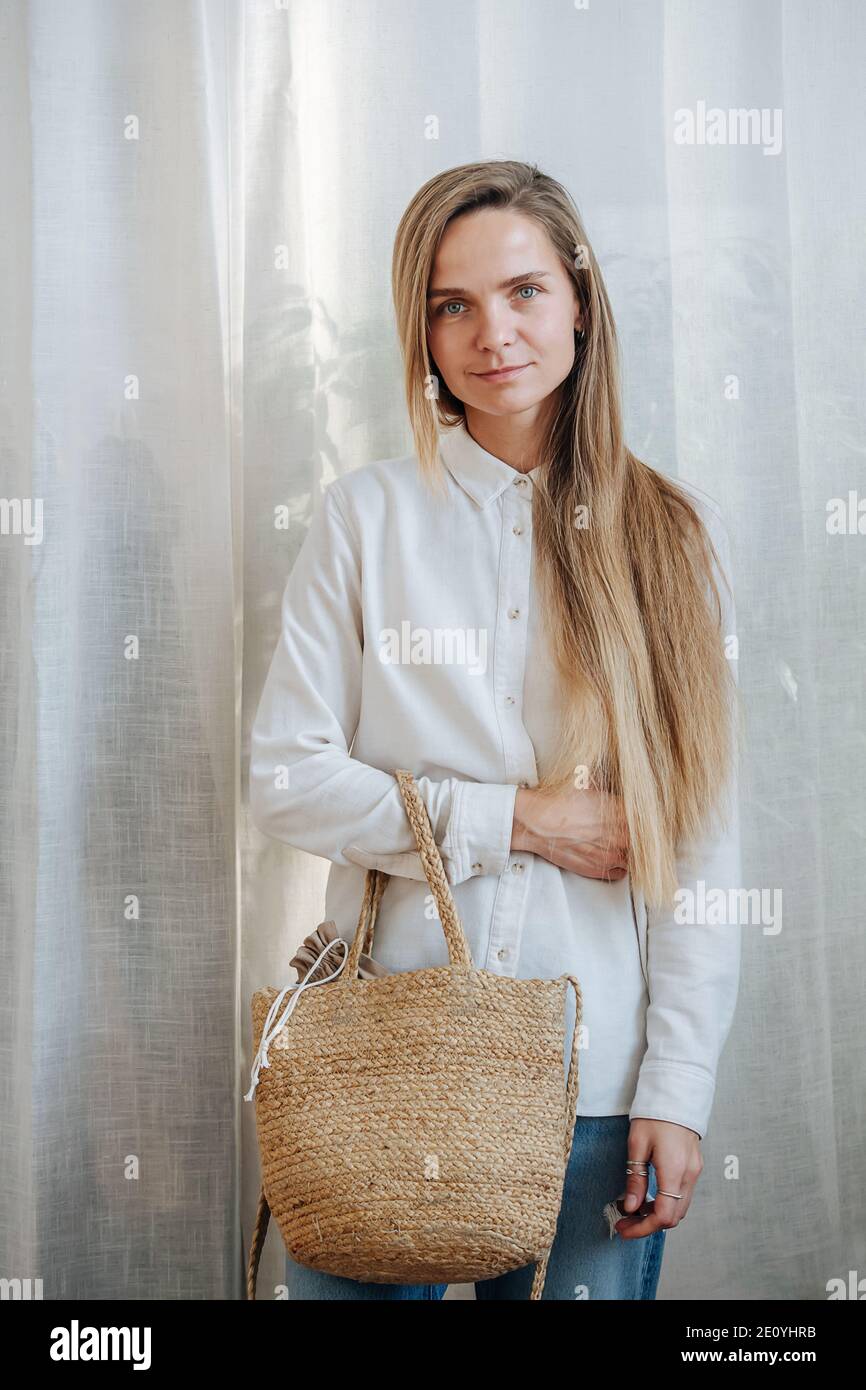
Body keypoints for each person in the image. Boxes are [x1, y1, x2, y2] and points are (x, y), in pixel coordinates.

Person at [249, 159, 743, 1300]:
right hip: (383, 1060)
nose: (492, 333)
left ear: (579, 300)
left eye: (523, 291)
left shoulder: (669, 537)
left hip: (598, 1087)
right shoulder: (364, 520)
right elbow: (286, 779)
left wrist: (677, 1086)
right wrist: (519, 822)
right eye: (450, 304)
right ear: (418, 333)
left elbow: (699, 849)